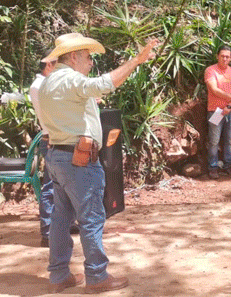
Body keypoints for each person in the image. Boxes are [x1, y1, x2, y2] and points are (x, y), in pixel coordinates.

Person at [38, 33, 158, 293]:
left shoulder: (48, 82)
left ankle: (59, 276)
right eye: (88, 57)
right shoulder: (71, 78)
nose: (91, 63)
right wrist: (136, 61)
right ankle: (96, 277)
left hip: (57, 156)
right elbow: (106, 83)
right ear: (73, 57)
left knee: (60, 218)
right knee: (91, 217)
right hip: (79, 159)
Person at [29, 57, 57, 247]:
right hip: (52, 138)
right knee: (51, 186)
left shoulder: (44, 84)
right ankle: (47, 231)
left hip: (54, 137)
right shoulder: (40, 86)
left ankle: (65, 224)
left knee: (60, 185)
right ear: (48, 65)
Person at [204, 46, 231, 179]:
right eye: (222, 56)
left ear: (230, 58)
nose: (225, 58)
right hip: (215, 111)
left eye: (227, 56)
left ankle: (228, 166)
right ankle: (213, 167)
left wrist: (229, 106)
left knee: (229, 140)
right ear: (217, 56)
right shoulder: (210, 70)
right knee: (214, 140)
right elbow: (214, 89)